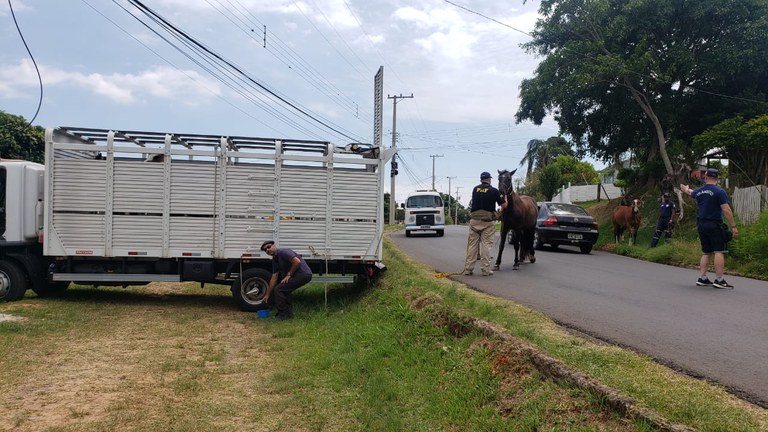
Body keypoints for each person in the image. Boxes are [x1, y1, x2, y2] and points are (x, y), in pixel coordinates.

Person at [680, 168, 739, 289]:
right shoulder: (719, 191)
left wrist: (685, 189)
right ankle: (719, 280)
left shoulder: (700, 191)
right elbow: (726, 209)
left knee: (706, 252)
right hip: (714, 224)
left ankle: (703, 278)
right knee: (719, 251)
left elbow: (691, 192)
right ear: (717, 178)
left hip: (701, 224)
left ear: (706, 177)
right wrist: (733, 226)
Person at [463, 171, 507, 276]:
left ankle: (468, 269)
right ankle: (485, 270)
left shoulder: (475, 189)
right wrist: (505, 198)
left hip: (474, 221)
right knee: (486, 245)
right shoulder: (494, 191)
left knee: (472, 245)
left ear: (481, 180)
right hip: (487, 223)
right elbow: (504, 206)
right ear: (489, 179)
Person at [260, 240, 313, 320]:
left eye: (268, 247)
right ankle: (288, 314)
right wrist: (267, 294)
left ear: (274, 245)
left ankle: (283, 315)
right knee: (284, 290)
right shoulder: (275, 259)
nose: (267, 250)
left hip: (303, 274)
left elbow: (297, 262)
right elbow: (274, 278)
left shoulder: (283, 252)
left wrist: (289, 275)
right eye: (265, 250)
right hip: (297, 275)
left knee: (279, 290)